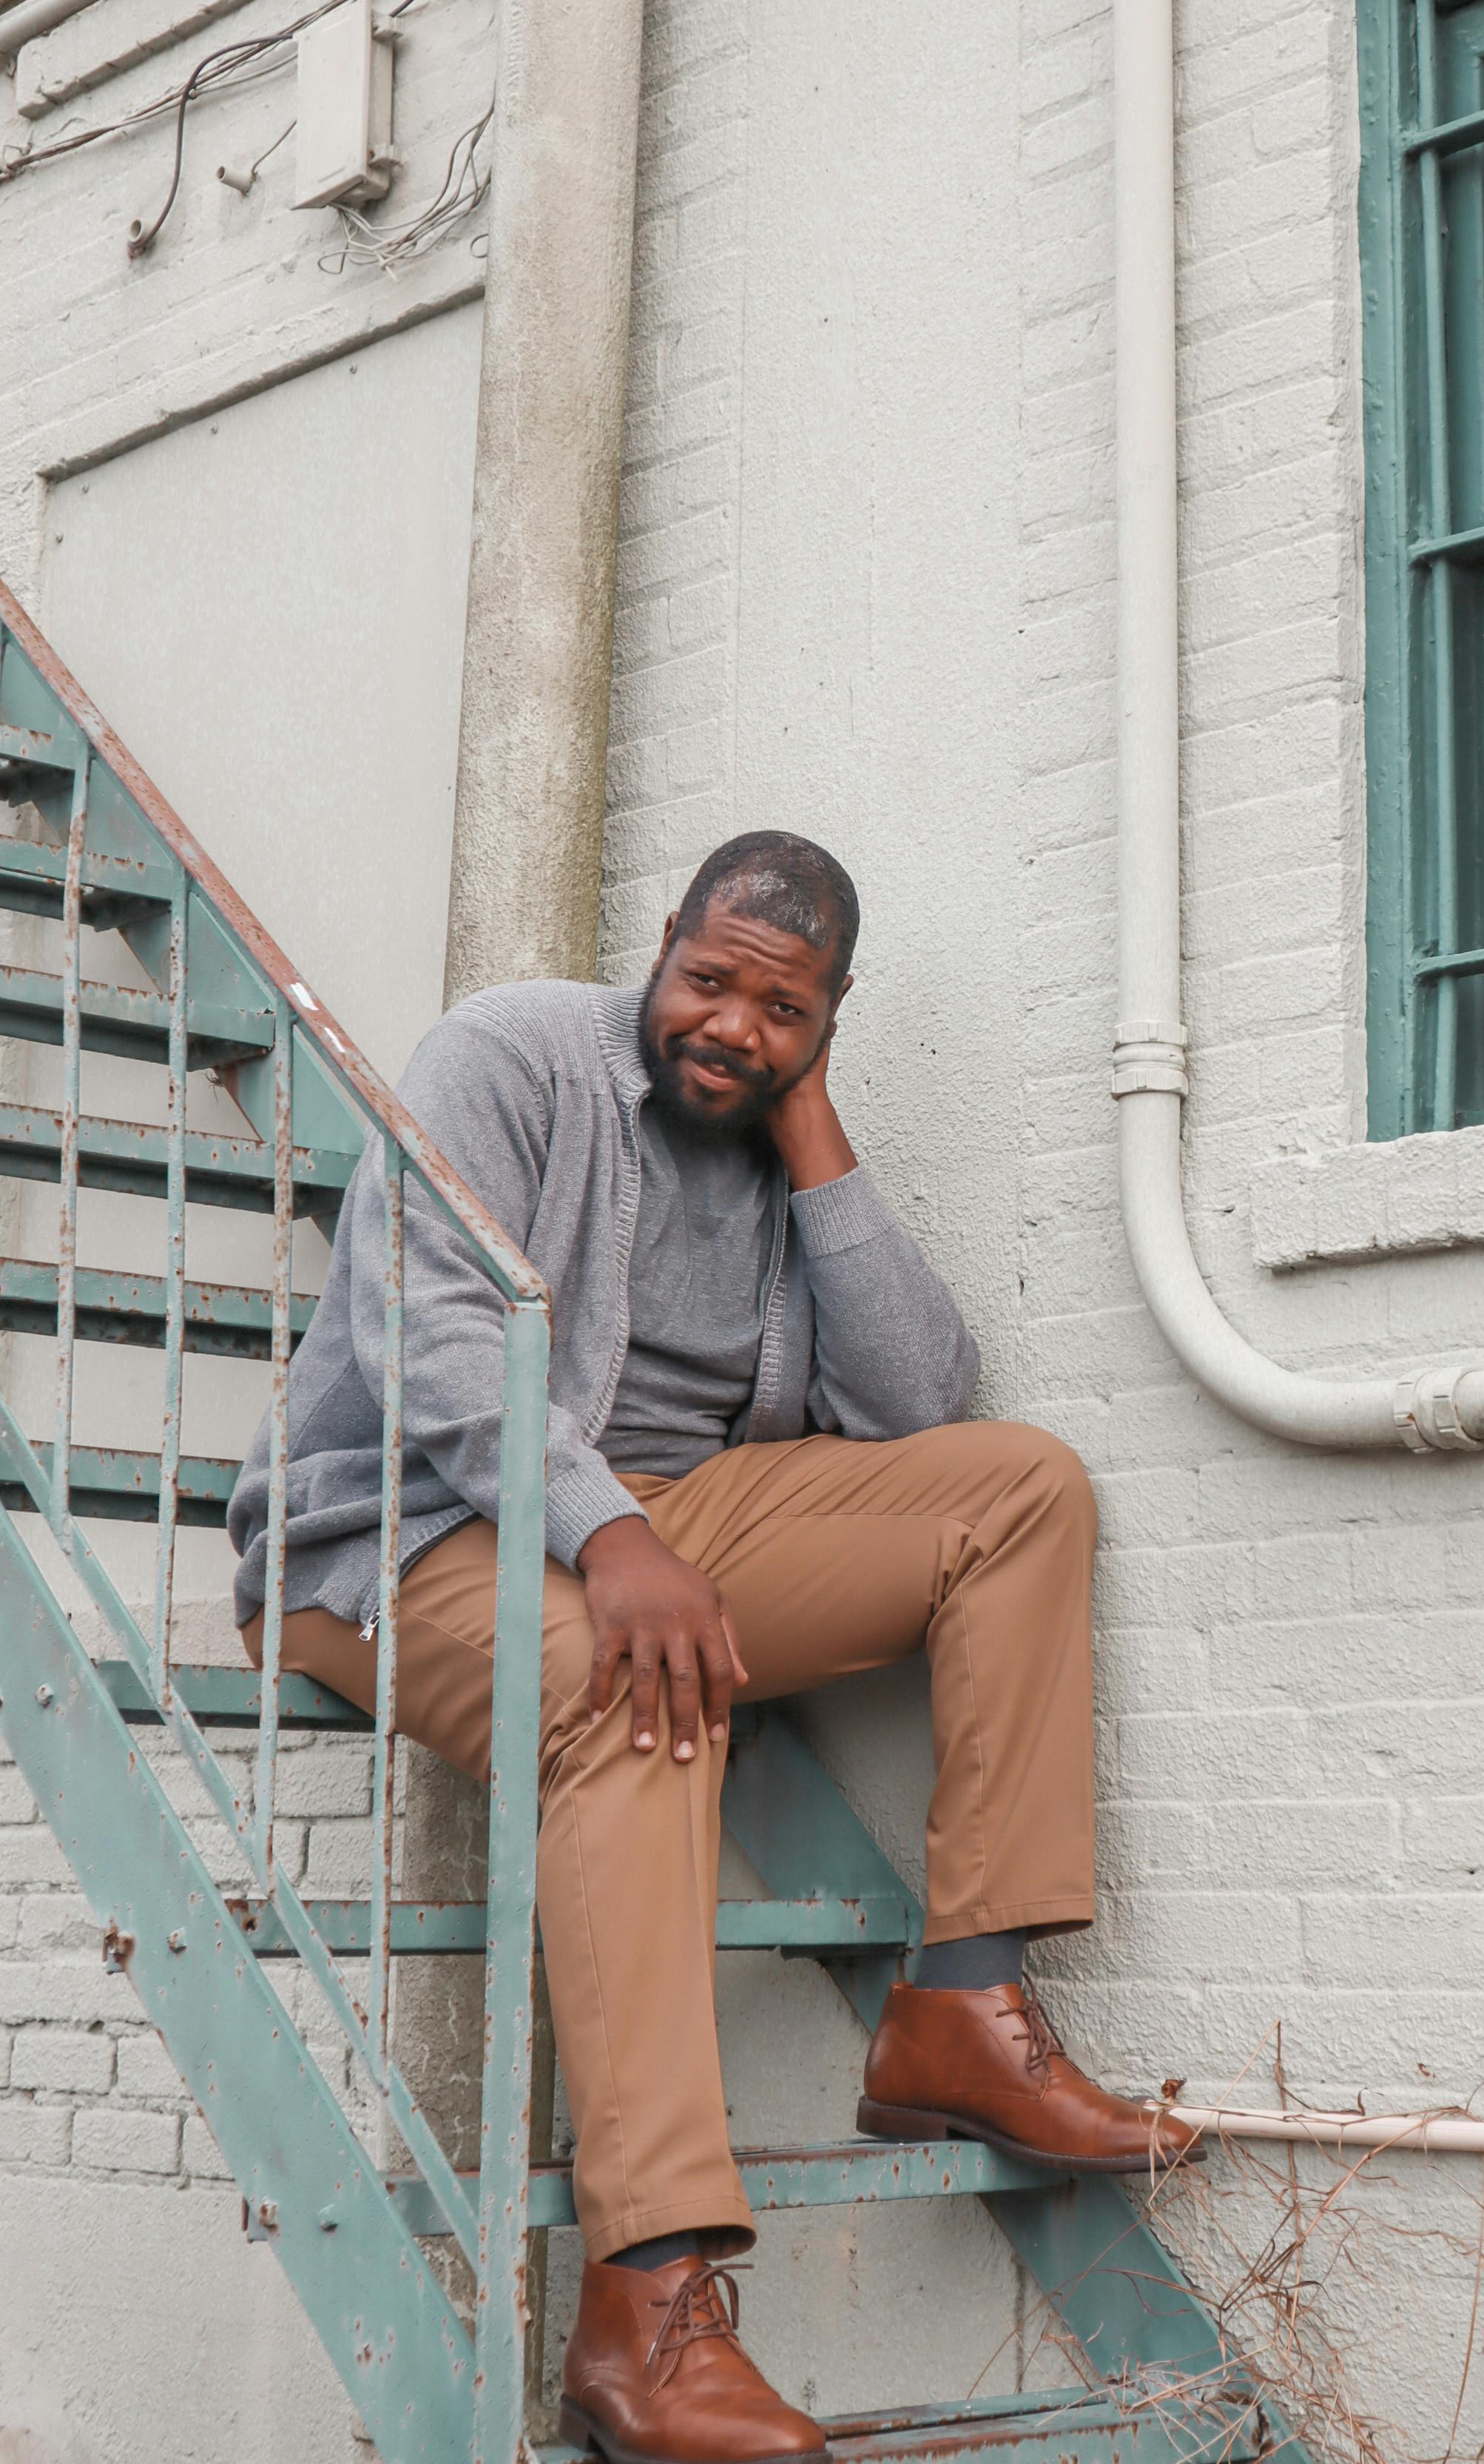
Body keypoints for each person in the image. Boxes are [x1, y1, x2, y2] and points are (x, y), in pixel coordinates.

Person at [230, 830, 1195, 2464]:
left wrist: (813, 1138)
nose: (732, 1026)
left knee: (1018, 1486)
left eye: (781, 1009)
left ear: (826, 1021)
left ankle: (954, 2007)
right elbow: (430, 1328)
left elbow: (910, 1405)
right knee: (634, 1690)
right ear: (659, 946)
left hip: (673, 1528)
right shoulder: (510, 1055)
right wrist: (607, 1537)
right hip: (397, 1537)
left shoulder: (773, 1129)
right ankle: (647, 2304)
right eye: (708, 981)